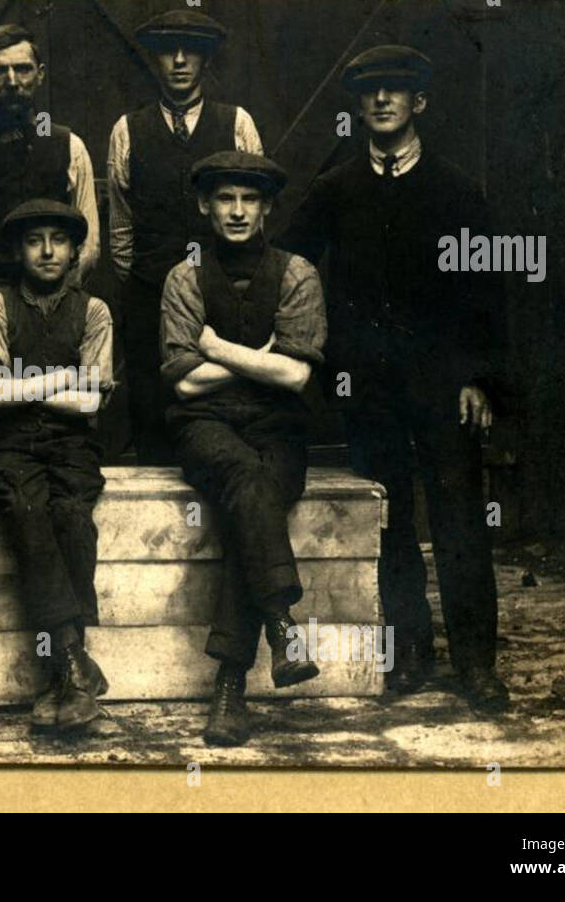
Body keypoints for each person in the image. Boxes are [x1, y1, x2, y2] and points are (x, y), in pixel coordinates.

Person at [274, 45, 509, 714]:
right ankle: (409, 653)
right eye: (370, 91)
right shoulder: (337, 187)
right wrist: (314, 351)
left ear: (419, 103)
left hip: (443, 386)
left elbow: (486, 294)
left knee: (461, 518)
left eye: (396, 90)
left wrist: (478, 379)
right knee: (391, 520)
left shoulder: (457, 190)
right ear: (358, 104)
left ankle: (476, 661)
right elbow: (290, 267)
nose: (381, 100)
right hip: (367, 386)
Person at [161, 151, 328, 746]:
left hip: (278, 428)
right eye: (224, 199)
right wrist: (262, 357)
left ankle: (230, 686)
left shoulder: (297, 274)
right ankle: (283, 625)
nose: (236, 211)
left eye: (249, 199)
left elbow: (297, 379)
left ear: (267, 207)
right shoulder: (184, 277)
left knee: (247, 503)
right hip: (204, 425)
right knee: (244, 479)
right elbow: (182, 381)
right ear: (206, 205)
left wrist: (216, 347)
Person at [0, 199, 114, 732]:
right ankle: (75, 667)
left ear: (74, 251)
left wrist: (22, 388)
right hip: (7, 446)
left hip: (73, 446)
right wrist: (61, 382)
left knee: (72, 515)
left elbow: (92, 403)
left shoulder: (93, 311)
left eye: (59, 240)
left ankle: (62, 678)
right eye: (34, 240)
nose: (47, 251)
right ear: (17, 250)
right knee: (28, 511)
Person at [108, 9, 264, 464]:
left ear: (206, 59)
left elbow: (254, 218)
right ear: (155, 61)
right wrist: (143, 283)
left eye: (190, 50)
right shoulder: (127, 130)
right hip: (149, 295)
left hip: (223, 293)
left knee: (219, 407)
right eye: (167, 52)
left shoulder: (236, 124)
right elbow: (120, 226)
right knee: (153, 411)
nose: (178, 60)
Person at [0, 24, 100, 349]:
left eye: (22, 69)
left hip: (52, 302)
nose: (11, 81)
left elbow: (90, 243)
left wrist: (57, 300)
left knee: (51, 392)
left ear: (39, 75)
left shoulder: (68, 146)